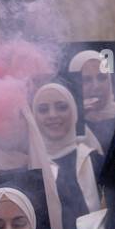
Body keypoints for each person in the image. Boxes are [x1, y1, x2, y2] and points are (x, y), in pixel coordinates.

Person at [31, 80, 101, 217]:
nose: (52, 115)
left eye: (61, 107)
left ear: (74, 112)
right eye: (43, 110)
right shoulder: (29, 166)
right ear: (33, 117)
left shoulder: (95, 161)